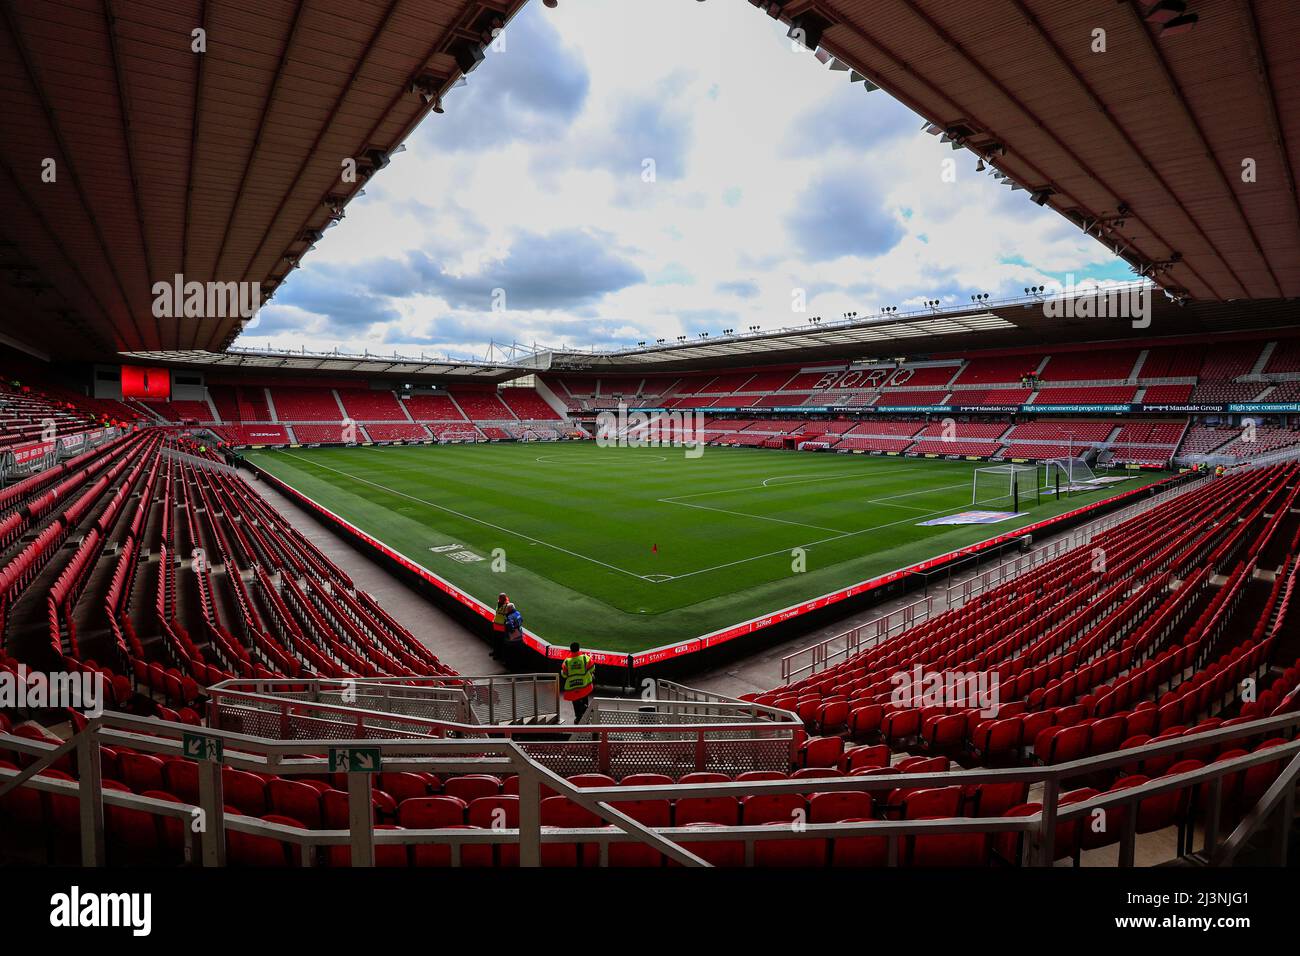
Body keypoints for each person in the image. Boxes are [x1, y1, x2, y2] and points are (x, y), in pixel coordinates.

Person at [559, 642, 596, 724]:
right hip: (585, 685)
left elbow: (564, 675)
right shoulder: (585, 658)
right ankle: (586, 713)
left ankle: (578, 718)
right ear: (579, 649)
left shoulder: (566, 661)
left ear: (570, 649)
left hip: (573, 687)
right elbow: (592, 668)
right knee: (584, 699)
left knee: (575, 702)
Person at [490, 593, 509, 659]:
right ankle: (494, 652)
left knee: (499, 642)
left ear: (503, 598)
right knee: (495, 640)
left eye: (500, 597)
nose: (499, 598)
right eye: (499, 597)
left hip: (501, 627)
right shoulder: (498, 603)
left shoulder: (507, 605)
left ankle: (498, 655)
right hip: (496, 624)